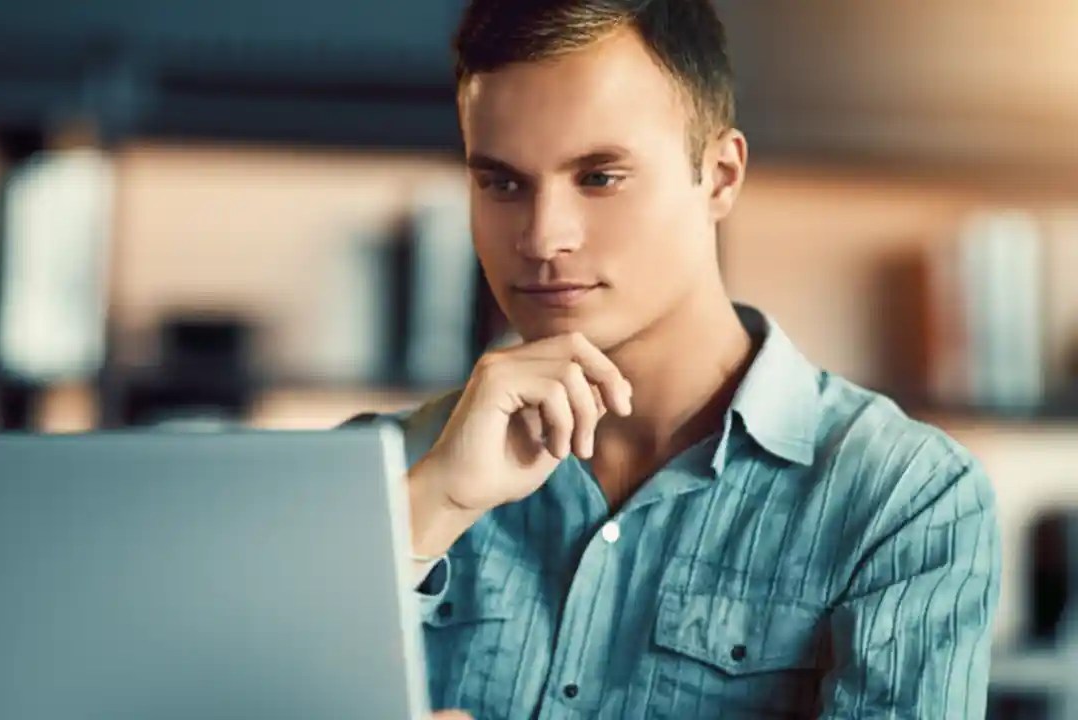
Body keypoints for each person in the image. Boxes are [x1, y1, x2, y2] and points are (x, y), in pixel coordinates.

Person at [388, 1, 1001, 718]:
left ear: (720, 176)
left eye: (599, 177)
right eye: (502, 183)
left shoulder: (905, 498)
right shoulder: (384, 472)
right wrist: (432, 507)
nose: (543, 238)